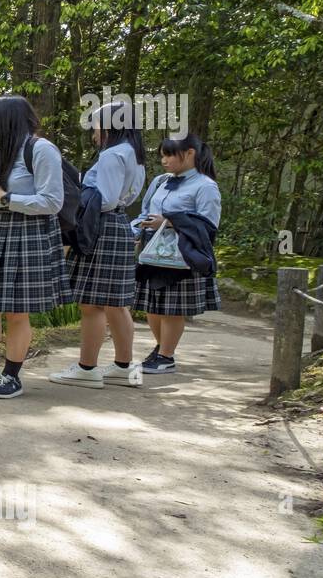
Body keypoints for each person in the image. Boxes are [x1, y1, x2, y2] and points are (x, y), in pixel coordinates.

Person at [0, 95, 73, 399]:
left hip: (28, 234)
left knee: (17, 310)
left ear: (6, 121)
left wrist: (5, 198)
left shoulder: (41, 149)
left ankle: (12, 375)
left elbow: (52, 202)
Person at [50, 102, 147, 389]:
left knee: (91, 304)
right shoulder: (135, 155)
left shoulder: (111, 155)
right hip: (119, 226)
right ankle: (123, 365)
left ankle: (87, 368)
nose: (94, 131)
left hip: (101, 227)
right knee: (117, 303)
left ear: (109, 126)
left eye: (95, 125)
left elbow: (104, 199)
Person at [132, 135, 222, 374]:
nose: (164, 160)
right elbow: (146, 211)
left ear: (190, 153)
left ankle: (166, 356)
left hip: (182, 255)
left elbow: (209, 226)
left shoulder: (205, 186)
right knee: (152, 306)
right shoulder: (161, 181)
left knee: (172, 309)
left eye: (170, 154)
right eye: (162, 155)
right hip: (153, 251)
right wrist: (135, 228)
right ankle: (161, 348)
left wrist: (170, 221)